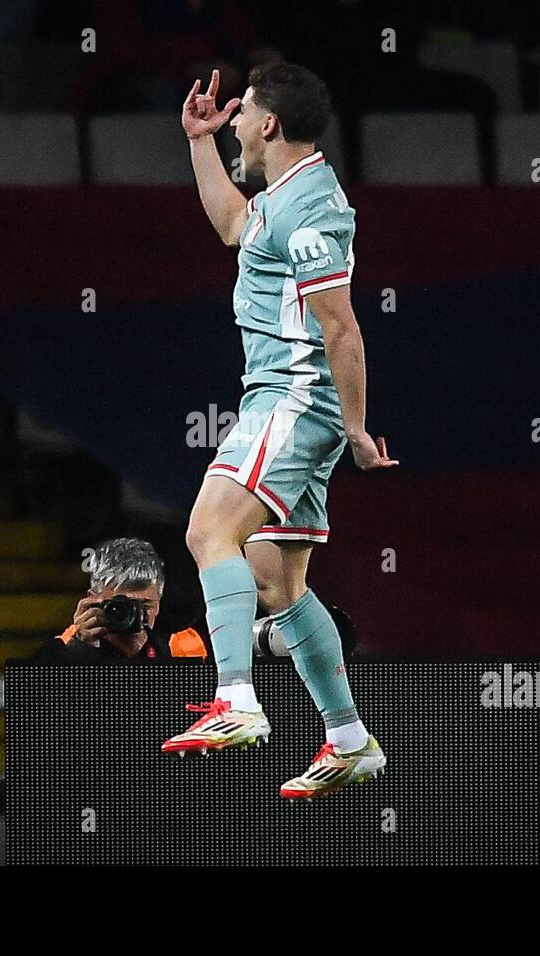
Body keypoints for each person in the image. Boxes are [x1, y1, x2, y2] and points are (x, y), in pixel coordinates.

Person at [163, 63, 396, 799]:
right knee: (276, 580)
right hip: (286, 399)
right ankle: (349, 738)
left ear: (268, 124)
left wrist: (354, 427)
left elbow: (342, 327)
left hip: (295, 398)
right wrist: (199, 143)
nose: (231, 121)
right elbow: (233, 225)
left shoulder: (315, 210)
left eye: (240, 113)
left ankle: (235, 699)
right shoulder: (278, 198)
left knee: (209, 533)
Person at [38, 538, 209, 661]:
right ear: (92, 599)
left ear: (159, 603)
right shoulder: (64, 646)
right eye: (122, 605)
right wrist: (81, 650)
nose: (135, 614)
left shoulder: (182, 646)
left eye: (145, 605)